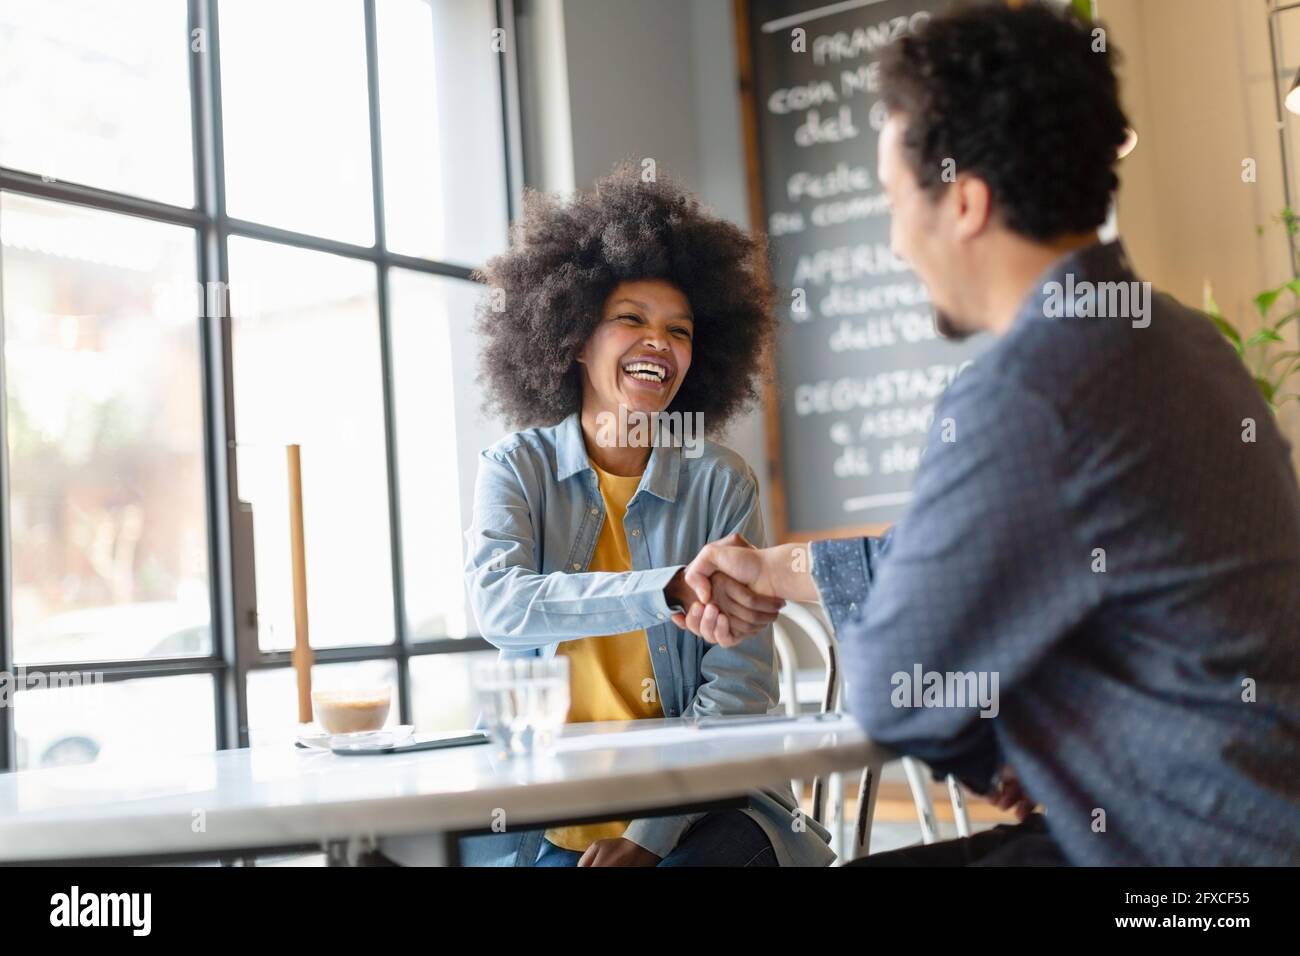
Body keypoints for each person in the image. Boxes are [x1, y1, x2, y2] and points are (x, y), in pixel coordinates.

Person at [675, 1, 1300, 866]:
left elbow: (901, 683)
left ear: (965, 202)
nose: (895, 243)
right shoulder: (1185, 341)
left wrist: (1003, 740)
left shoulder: (1034, 385)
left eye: (896, 203)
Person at [446, 167, 834, 867]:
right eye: (631, 320)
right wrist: (667, 590)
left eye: (678, 331)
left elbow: (738, 692)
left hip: (702, 805)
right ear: (572, 338)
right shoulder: (514, 469)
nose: (659, 341)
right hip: (541, 805)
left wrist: (646, 837)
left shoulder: (720, 483)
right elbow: (503, 608)